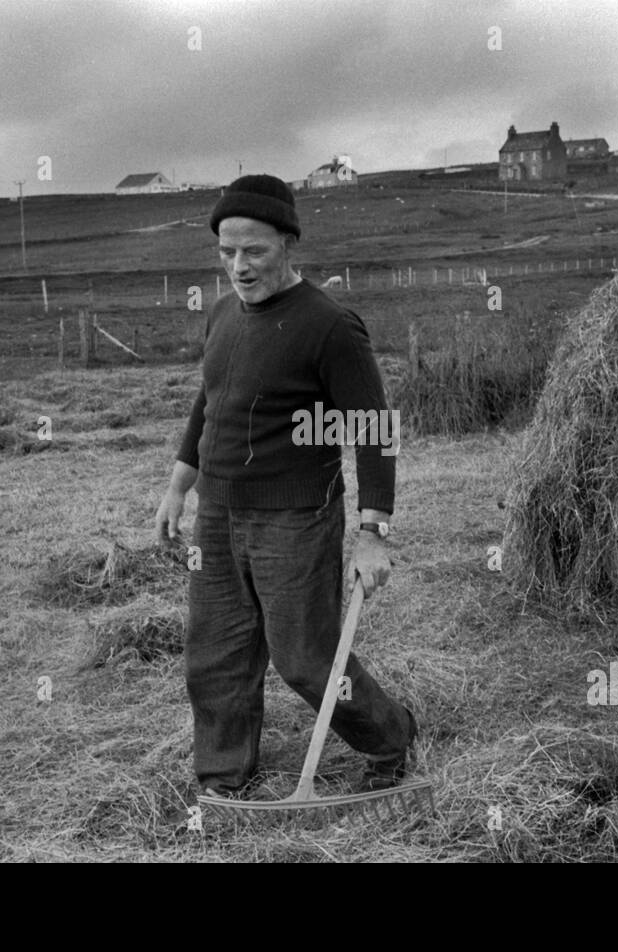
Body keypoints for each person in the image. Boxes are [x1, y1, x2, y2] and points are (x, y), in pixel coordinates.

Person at [154, 174, 415, 800]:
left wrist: (372, 533)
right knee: (215, 653)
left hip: (295, 518)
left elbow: (375, 431)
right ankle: (223, 777)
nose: (238, 267)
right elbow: (209, 403)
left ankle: (392, 736)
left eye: (254, 251)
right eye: (226, 252)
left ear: (289, 243)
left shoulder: (328, 326)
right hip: (218, 517)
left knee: (304, 657)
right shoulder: (222, 315)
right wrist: (177, 486)